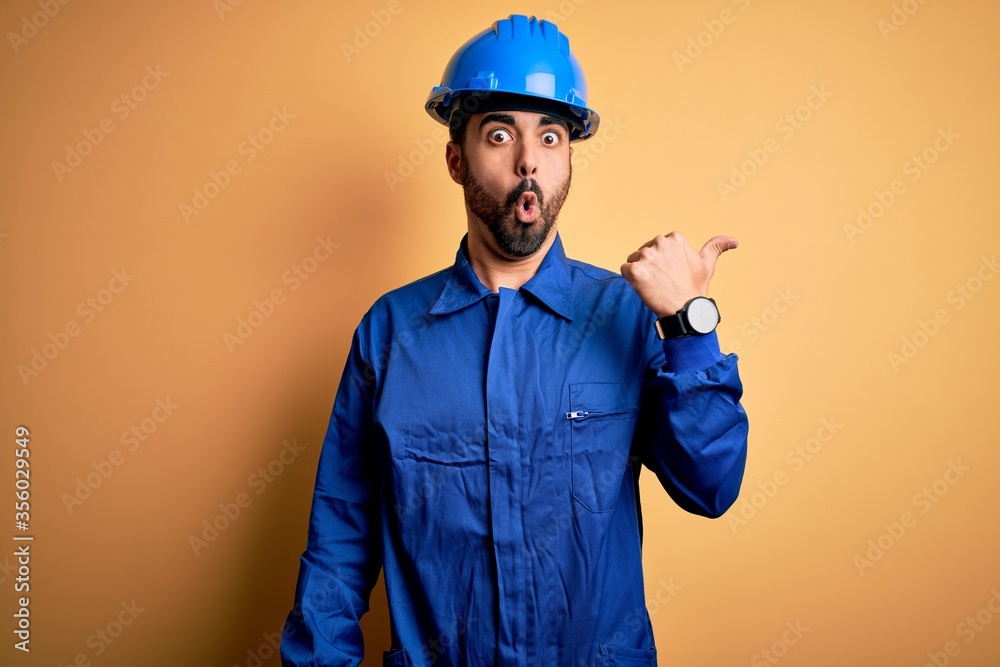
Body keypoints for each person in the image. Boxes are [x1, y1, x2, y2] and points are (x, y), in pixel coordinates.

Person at [281, 14, 748, 667]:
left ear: (567, 162)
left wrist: (689, 323)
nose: (528, 159)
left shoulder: (628, 316)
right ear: (455, 158)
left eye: (550, 137)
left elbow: (712, 487)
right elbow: (339, 542)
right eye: (500, 134)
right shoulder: (389, 334)